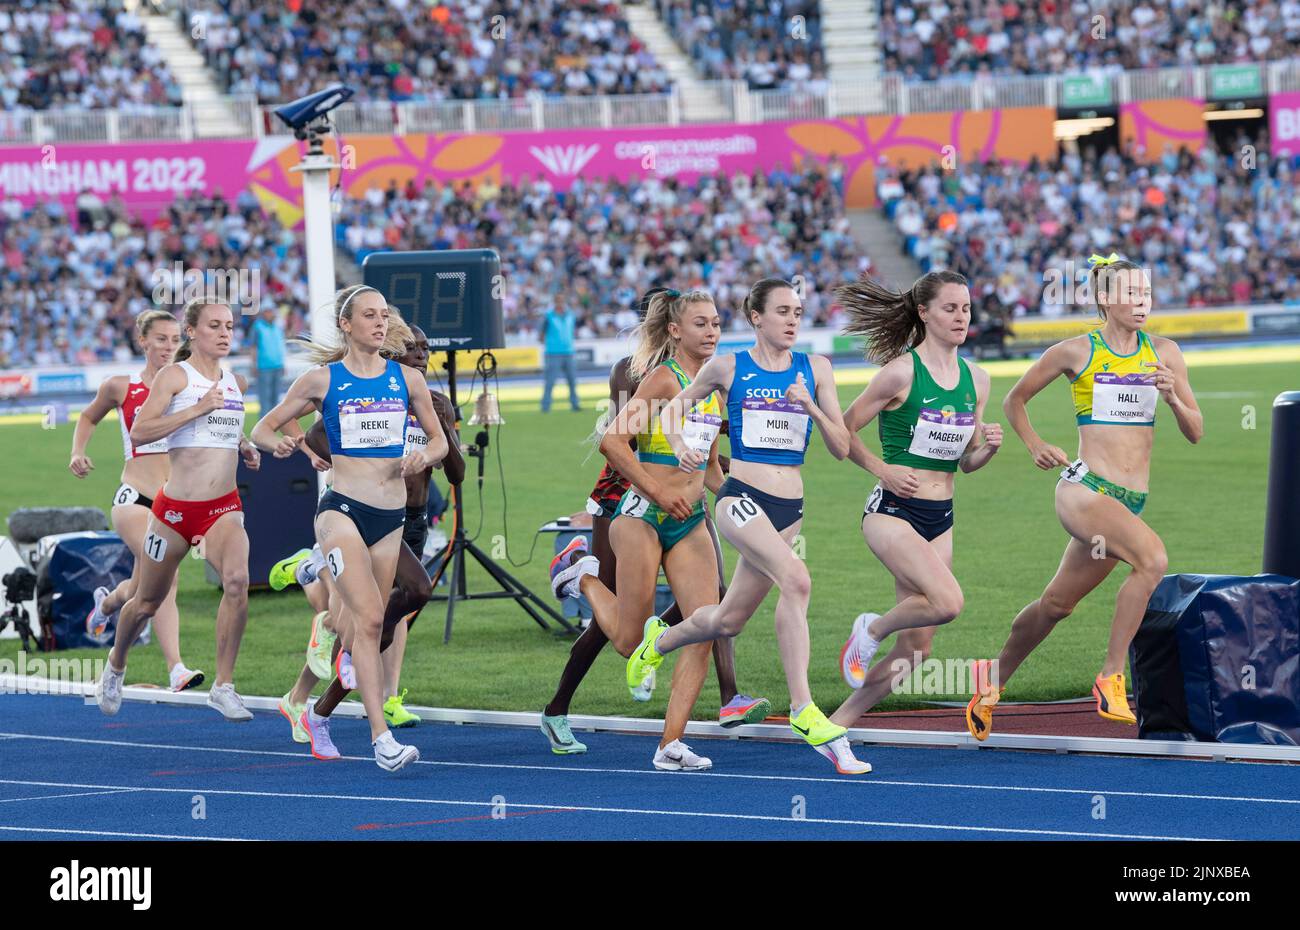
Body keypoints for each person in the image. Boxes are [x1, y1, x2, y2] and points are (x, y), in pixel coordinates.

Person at [623, 278, 870, 774]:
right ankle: (805, 710)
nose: (793, 319)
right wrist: (680, 445)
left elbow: (842, 447)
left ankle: (656, 643)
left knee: (727, 620)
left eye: (798, 311)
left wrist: (812, 407)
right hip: (740, 499)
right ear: (756, 317)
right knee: (796, 579)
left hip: (789, 509)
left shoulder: (816, 368)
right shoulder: (729, 367)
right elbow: (674, 409)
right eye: (783, 311)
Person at [965, 255, 1203, 740]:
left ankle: (990, 682)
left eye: (1147, 293)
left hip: (1126, 503)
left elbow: (1195, 431)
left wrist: (1173, 396)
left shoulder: (1165, 353)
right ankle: (1112, 677)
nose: (1143, 302)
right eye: (1132, 293)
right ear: (1105, 299)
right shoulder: (1077, 351)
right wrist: (1035, 444)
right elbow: (1015, 399)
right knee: (1152, 559)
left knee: (1056, 604)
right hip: (1084, 491)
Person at [547, 289, 770, 770]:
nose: (711, 332)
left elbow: (710, 469)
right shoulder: (663, 380)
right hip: (641, 516)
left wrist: (748, 496)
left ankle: (670, 744)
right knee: (629, 641)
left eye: (715, 323)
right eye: (700, 324)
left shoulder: (715, 384)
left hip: (689, 519)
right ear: (675, 330)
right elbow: (613, 442)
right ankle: (579, 576)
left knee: (705, 624)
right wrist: (655, 492)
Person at [251, 285, 448, 771]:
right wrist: (282, 445)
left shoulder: (408, 380)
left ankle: (320, 705)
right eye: (369, 315)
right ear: (347, 324)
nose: (380, 323)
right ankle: (381, 739)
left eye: (384, 315)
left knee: (369, 621)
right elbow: (264, 426)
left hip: (389, 519)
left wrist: (424, 453)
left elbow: (441, 443)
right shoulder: (322, 380)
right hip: (341, 511)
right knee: (365, 617)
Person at [825, 273, 1002, 751]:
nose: (961, 317)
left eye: (966, 308)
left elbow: (963, 463)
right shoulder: (901, 372)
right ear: (924, 313)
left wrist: (986, 451)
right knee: (949, 603)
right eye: (950, 308)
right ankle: (871, 627)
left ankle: (835, 727)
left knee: (917, 652)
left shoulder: (977, 380)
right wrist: (882, 469)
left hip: (940, 517)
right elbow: (843, 432)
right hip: (893, 511)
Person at [93, 299, 262, 720]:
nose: (225, 333)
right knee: (147, 601)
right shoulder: (174, 376)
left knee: (238, 581)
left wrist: (245, 445)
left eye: (229, 326)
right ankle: (116, 665)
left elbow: (222, 430)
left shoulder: (235, 381)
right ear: (192, 331)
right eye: (214, 326)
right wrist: (196, 408)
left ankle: (224, 686)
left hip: (223, 506)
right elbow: (142, 429)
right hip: (172, 511)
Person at [71, 309, 203, 692]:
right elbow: (88, 417)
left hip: (175, 501)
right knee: (168, 577)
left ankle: (108, 604)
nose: (168, 346)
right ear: (142, 341)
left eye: (174, 339)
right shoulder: (120, 385)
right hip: (135, 498)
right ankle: (176, 667)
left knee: (146, 584)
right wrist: (77, 451)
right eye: (160, 339)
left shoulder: (185, 385)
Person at [540, 300, 580, 412]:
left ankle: (575, 404)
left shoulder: (570, 315)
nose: (560, 303)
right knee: (550, 381)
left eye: (562, 300)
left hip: (569, 352)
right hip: (553, 353)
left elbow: (573, 330)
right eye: (558, 300)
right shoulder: (548, 316)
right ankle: (545, 406)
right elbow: (541, 334)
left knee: (572, 381)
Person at [249, 304, 287, 415]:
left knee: (276, 401)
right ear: (263, 313)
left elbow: (280, 347)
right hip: (263, 367)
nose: (270, 314)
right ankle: (262, 429)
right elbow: (253, 347)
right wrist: (254, 365)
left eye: (271, 311)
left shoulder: (277, 328)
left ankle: (273, 427)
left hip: (278, 366)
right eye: (268, 311)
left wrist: (283, 364)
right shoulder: (257, 327)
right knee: (265, 400)